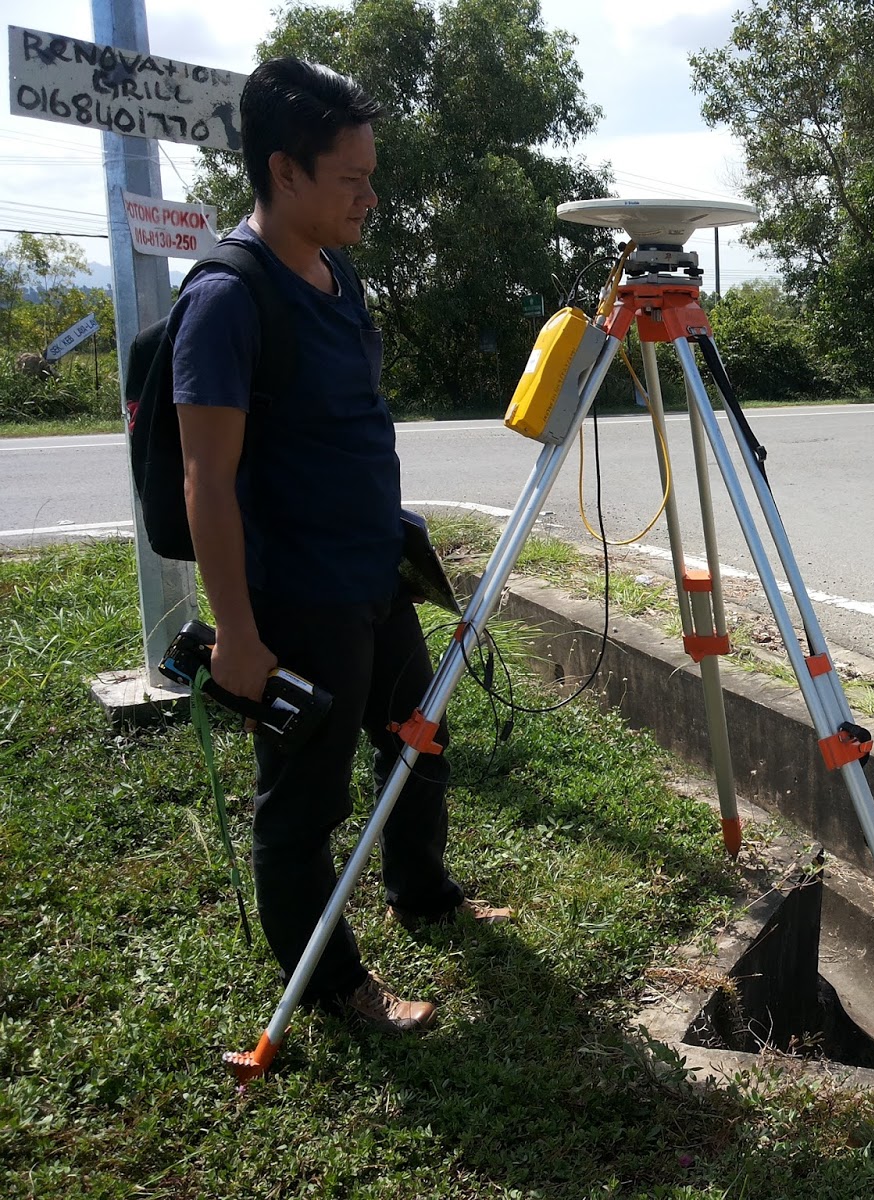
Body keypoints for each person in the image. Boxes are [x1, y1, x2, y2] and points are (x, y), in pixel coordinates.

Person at [172, 57, 507, 1036]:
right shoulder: (229, 300)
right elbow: (207, 478)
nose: (371, 194)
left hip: (374, 574)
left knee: (418, 740)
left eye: (372, 174)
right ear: (285, 171)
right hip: (300, 597)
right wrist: (237, 633)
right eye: (351, 177)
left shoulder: (337, 271)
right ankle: (331, 988)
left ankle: (424, 893)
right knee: (302, 807)